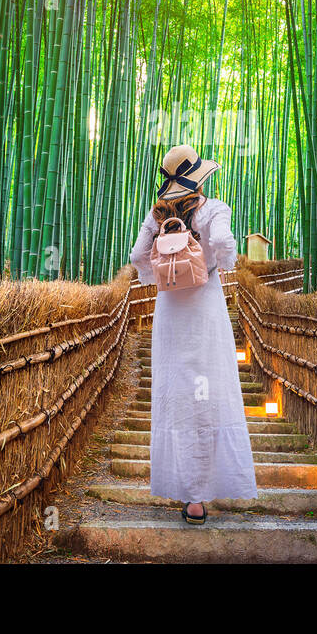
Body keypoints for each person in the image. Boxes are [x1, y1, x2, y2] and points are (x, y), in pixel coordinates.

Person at [128, 144, 258, 525]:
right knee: (210, 392)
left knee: (179, 396)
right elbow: (223, 244)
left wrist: (161, 275)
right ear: (199, 178)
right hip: (205, 309)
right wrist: (214, 267)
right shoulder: (214, 208)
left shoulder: (156, 215)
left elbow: (137, 257)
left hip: (171, 312)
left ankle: (189, 495)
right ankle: (205, 492)